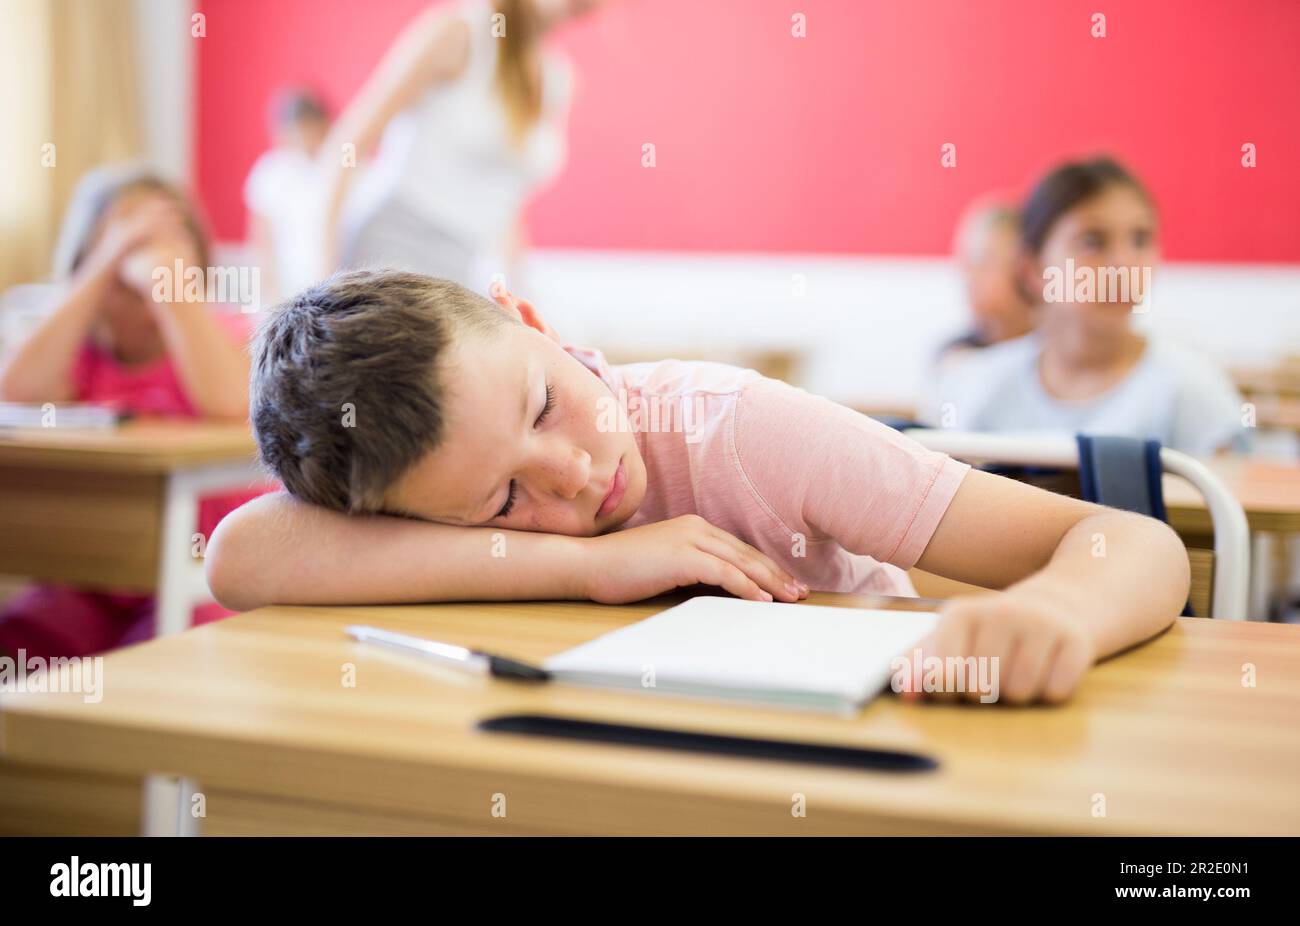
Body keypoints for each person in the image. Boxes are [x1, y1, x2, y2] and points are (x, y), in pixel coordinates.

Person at [205, 268, 1191, 705]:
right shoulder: (465, 504)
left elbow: (1131, 543)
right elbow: (240, 555)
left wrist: (1061, 611)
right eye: (506, 501)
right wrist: (591, 566)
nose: (578, 477)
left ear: (532, 319)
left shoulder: (734, 431)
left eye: (545, 406)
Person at [0, 165, 255, 658]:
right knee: (19, 636)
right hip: (97, 575)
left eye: (161, 237)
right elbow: (15, 393)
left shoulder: (222, 335)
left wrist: (171, 291)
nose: (142, 252)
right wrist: (104, 264)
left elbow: (230, 403)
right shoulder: (77, 352)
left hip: (196, 574)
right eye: (125, 235)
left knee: (184, 645)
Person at [922, 157, 1246, 454]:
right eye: (1092, 241)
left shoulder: (1192, 393)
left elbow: (1230, 509)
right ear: (1033, 269)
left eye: (1140, 239)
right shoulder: (978, 388)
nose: (1123, 265)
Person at [322, 0, 603, 289]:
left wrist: (520, 295)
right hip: (389, 249)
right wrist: (323, 287)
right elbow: (348, 145)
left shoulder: (555, 79)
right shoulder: (458, 33)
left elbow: (504, 196)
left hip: (460, 268)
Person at [244, 87, 332, 301]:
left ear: (324, 124)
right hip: (285, 286)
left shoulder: (345, 168)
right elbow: (260, 238)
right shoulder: (272, 171)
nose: (302, 141)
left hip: (330, 281)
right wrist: (266, 286)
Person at [938, 201, 1037, 367]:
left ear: (1025, 269)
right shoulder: (957, 356)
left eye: (984, 262)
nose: (970, 277)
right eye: (967, 263)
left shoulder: (1053, 353)